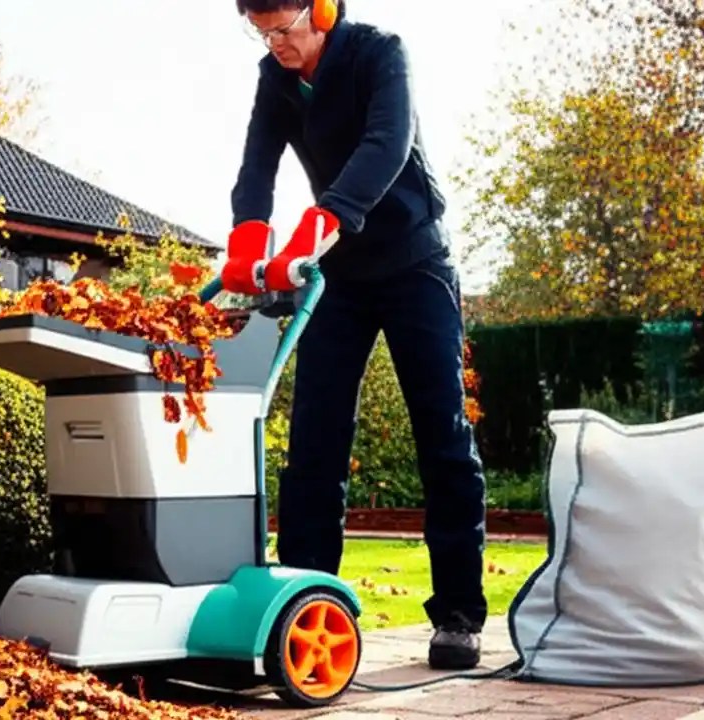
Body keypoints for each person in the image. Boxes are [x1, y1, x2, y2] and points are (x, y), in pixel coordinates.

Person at [225, 0, 488, 671]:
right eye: (262, 33)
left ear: (322, 9)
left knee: (442, 433)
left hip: (414, 260)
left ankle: (458, 613)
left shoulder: (380, 53)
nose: (276, 45)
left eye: (283, 30)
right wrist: (248, 235)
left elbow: (385, 145)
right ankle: (308, 607)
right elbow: (258, 163)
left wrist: (319, 224)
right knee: (314, 438)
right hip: (338, 277)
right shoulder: (275, 76)